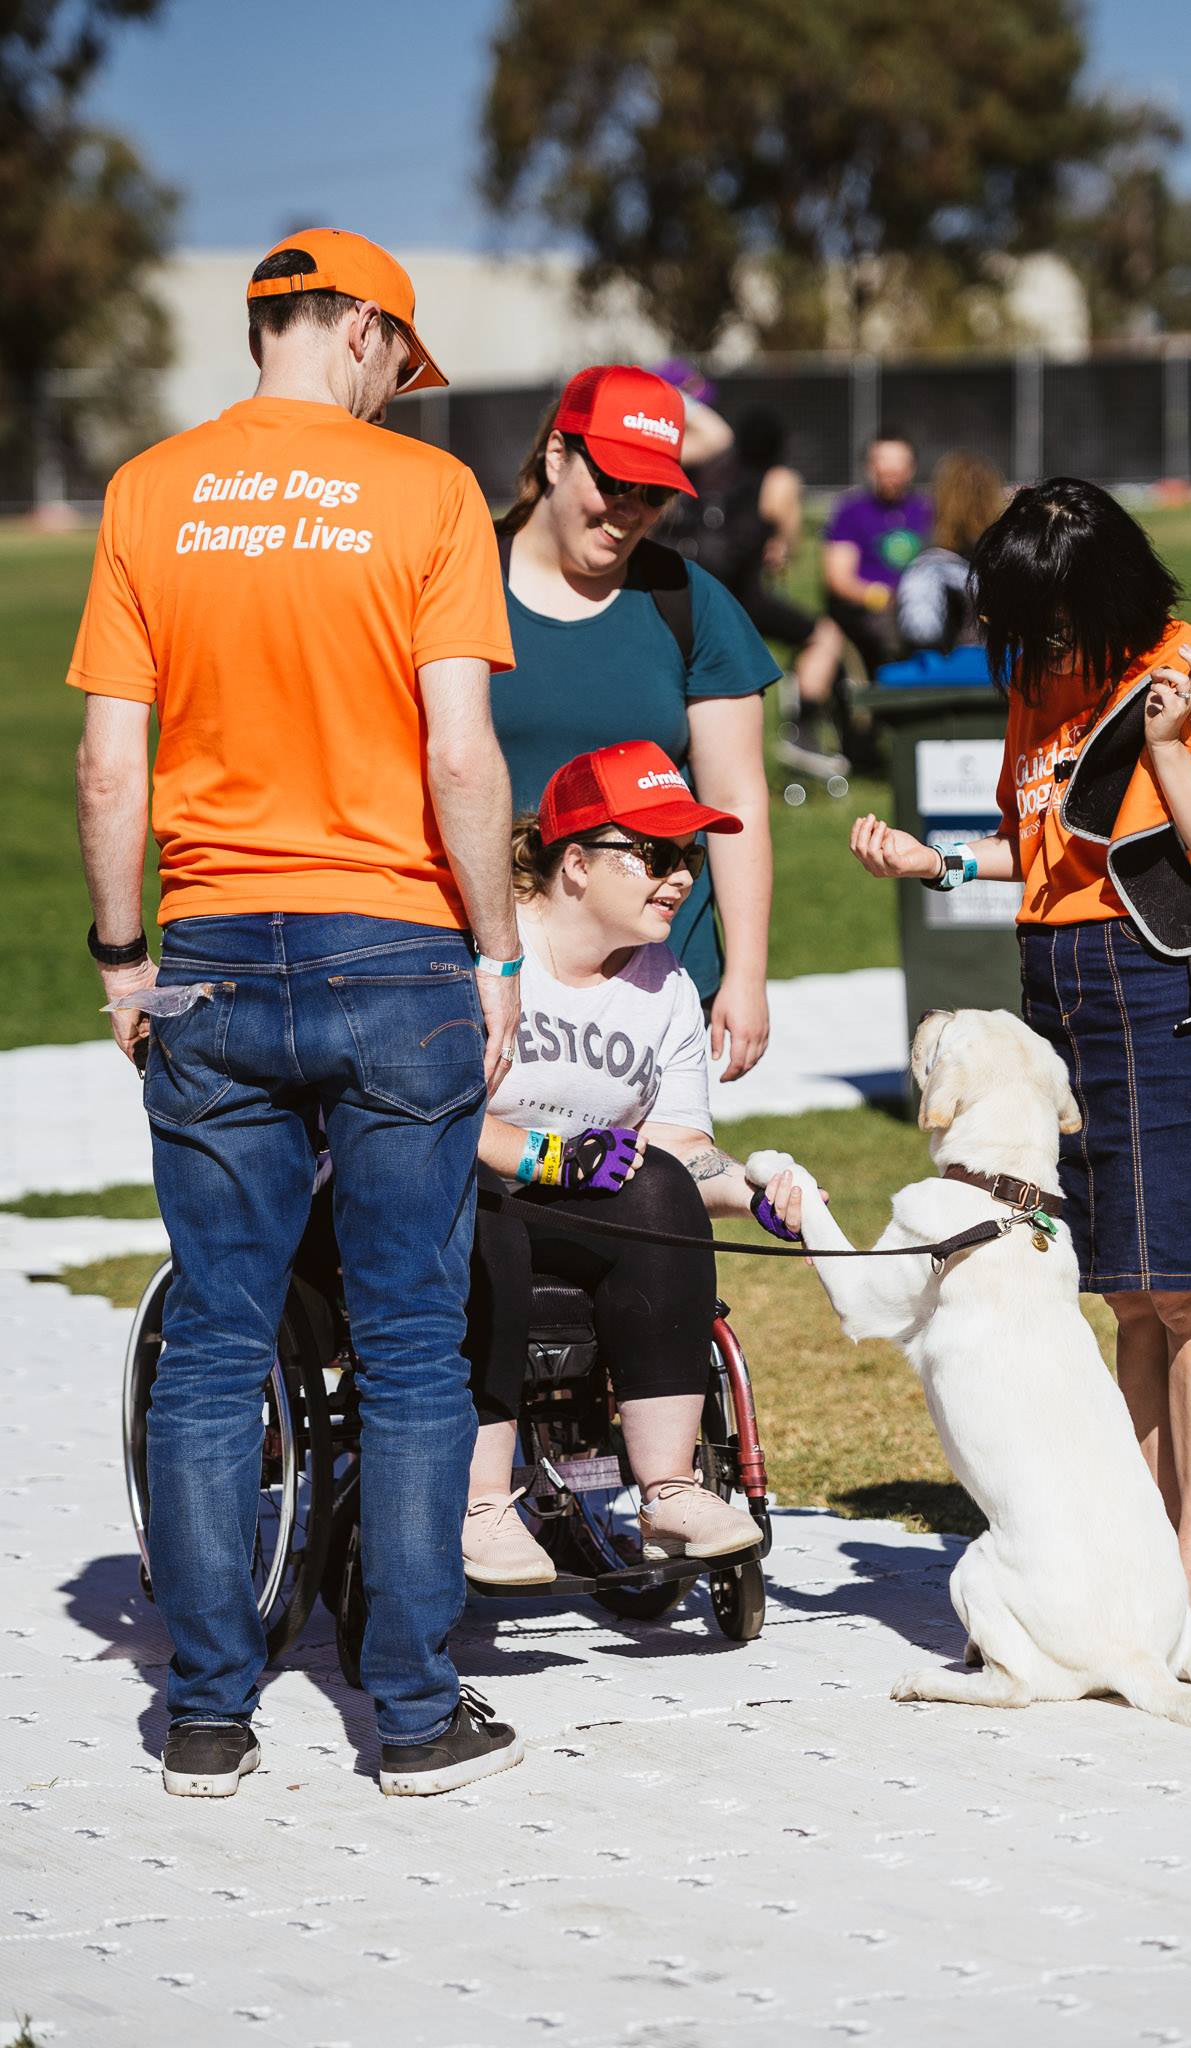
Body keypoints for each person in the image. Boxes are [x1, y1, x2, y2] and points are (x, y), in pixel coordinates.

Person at [69, 228, 525, 1800]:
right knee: (408, 1349)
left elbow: (109, 768)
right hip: (395, 949)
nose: (401, 391)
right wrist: (499, 955)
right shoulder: (429, 495)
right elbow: (460, 753)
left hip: (205, 951)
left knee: (214, 1339)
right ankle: (413, 1717)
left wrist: (121, 960)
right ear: (361, 331)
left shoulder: (147, 492)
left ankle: (207, 1715)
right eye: (401, 362)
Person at [847, 476, 1191, 1647]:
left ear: (1102, 595)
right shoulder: (1036, 679)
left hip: (1156, 986)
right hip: (1055, 988)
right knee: (1124, 1293)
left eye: (1048, 624)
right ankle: (1136, 1544)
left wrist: (1163, 746)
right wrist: (938, 863)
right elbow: (1040, 844)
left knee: (1186, 1286)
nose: (1036, 649)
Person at [457, 741, 810, 1585]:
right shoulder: (481, 949)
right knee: (486, 1216)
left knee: (659, 1191)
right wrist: (552, 1157)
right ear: (575, 864)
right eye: (653, 854)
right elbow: (429, 1117)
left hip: (568, 1207)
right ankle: (480, 1502)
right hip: (452, 1199)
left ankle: (669, 1490)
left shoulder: (666, 986)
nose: (679, 877)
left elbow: (681, 1148)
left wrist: (755, 1194)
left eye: (688, 856)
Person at [492, 364, 779, 1081]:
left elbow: (736, 801)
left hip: (653, 983)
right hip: (493, 968)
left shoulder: (688, 601)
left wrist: (745, 975)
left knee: (654, 1158)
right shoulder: (459, 579)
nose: (629, 509)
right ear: (556, 455)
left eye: (652, 493)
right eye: (613, 481)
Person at [675, 407, 846, 777]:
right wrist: (780, 543)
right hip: (742, 598)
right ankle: (803, 733)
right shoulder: (779, 480)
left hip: (688, 590)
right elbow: (789, 543)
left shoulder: (706, 470)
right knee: (824, 636)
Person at [822, 427, 932, 675]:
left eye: (898, 465)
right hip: (869, 612)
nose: (890, 473)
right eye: (883, 464)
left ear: (911, 468)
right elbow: (839, 579)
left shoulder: (926, 510)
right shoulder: (850, 511)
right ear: (870, 467)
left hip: (922, 606)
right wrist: (882, 597)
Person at [896, 452, 1006, 655]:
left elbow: (920, 630)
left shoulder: (930, 565)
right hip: (1005, 664)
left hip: (948, 663)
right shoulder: (1011, 556)